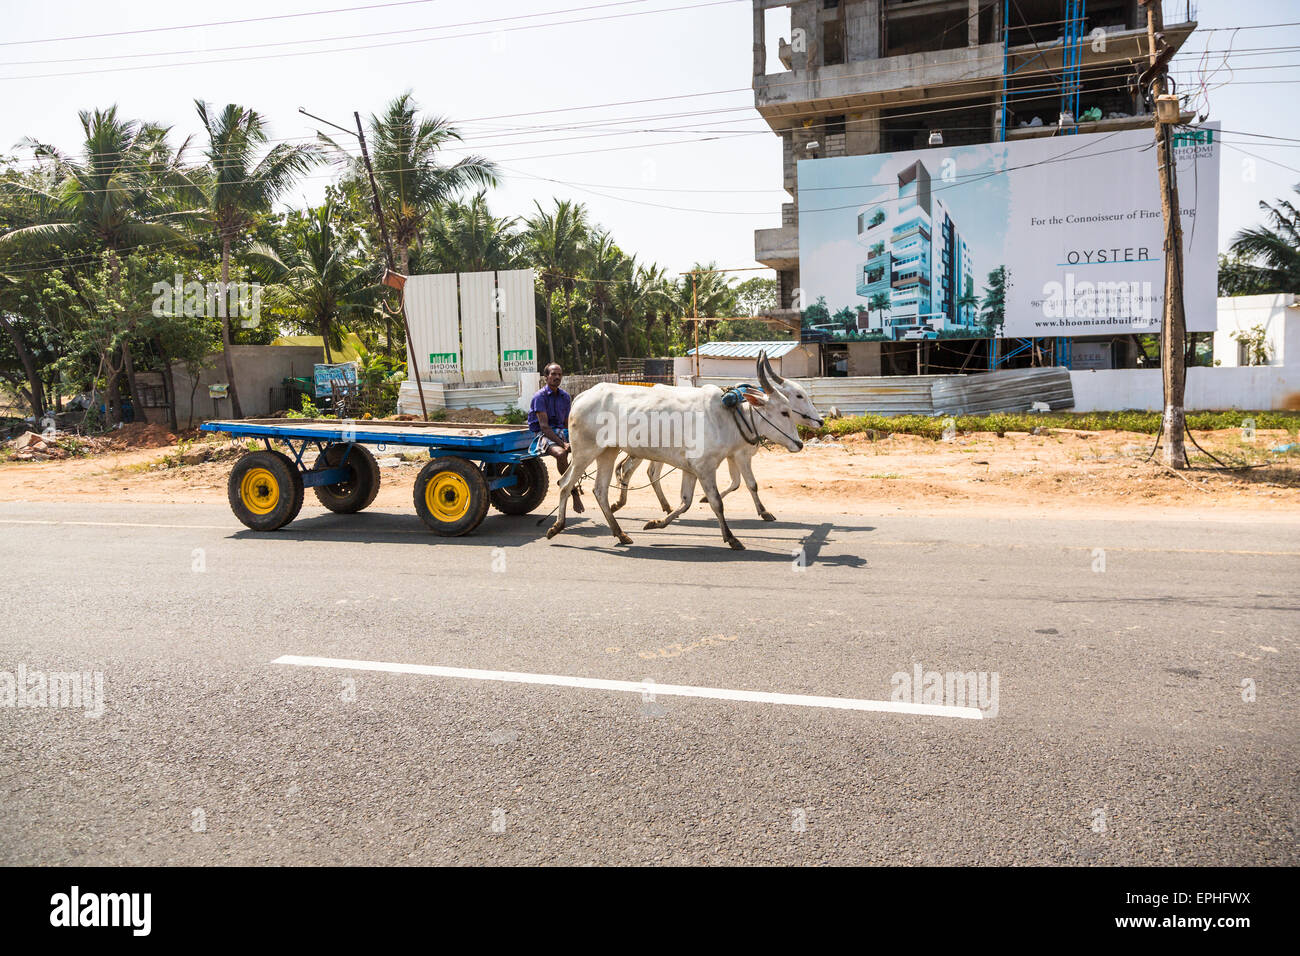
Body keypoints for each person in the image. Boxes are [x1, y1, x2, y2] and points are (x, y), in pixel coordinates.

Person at [528, 363, 583, 513]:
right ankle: (573, 492)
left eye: (559, 374)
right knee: (561, 453)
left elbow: (567, 423)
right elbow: (544, 427)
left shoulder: (565, 396)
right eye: (553, 374)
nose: (557, 377)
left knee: (587, 449)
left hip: (561, 432)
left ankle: (566, 480)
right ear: (546, 377)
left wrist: (573, 440)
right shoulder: (540, 397)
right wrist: (564, 444)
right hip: (543, 434)